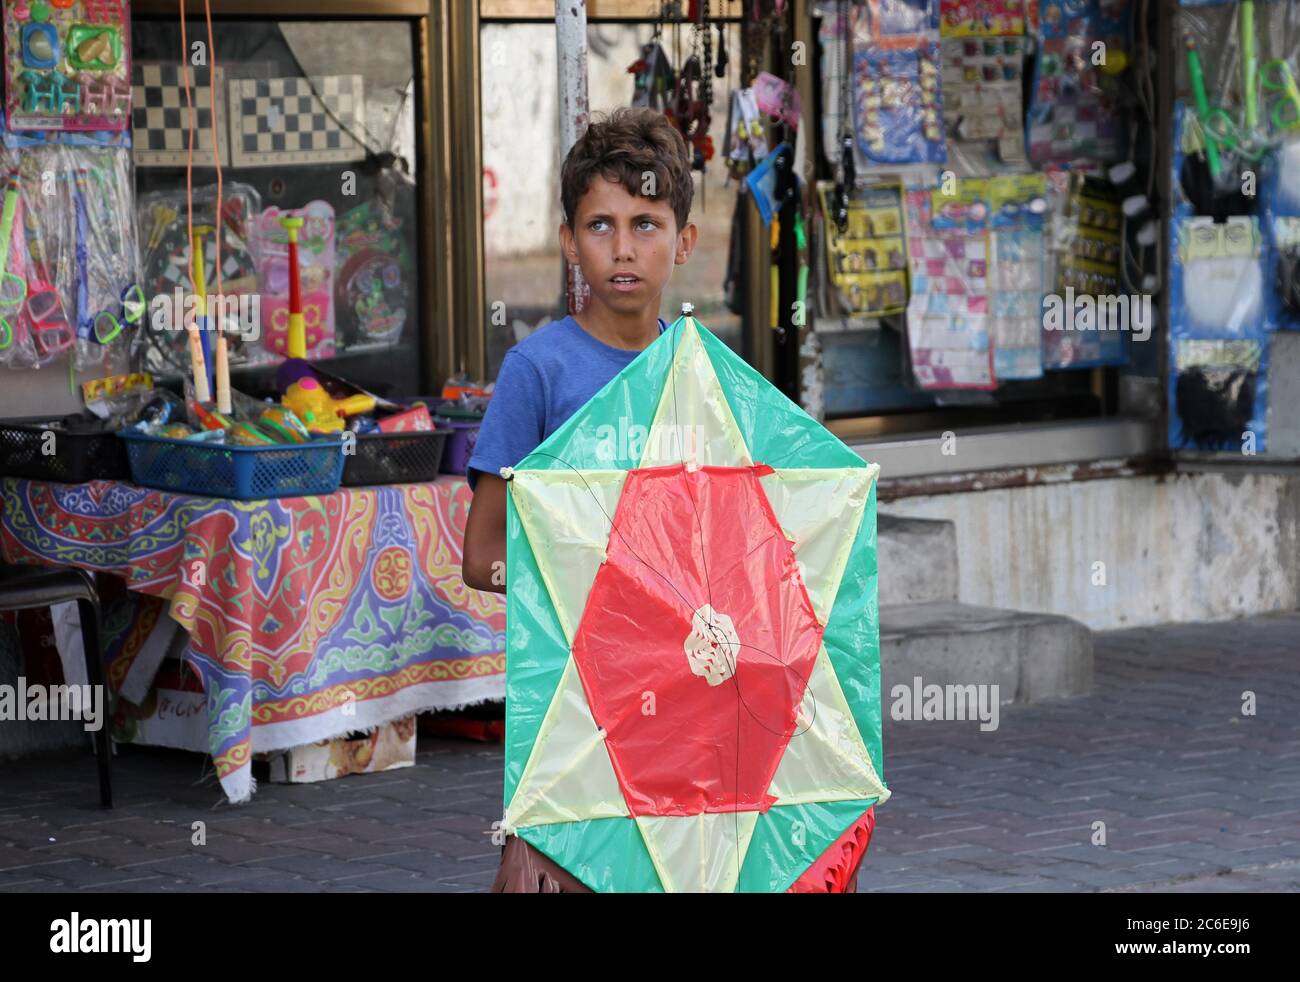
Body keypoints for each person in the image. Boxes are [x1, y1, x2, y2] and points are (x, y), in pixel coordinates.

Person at [461, 108, 698, 890]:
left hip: (681, 688)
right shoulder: (537, 372)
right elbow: (481, 556)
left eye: (647, 224)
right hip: (572, 694)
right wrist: (588, 590)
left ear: (684, 241)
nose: (623, 248)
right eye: (600, 225)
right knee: (561, 871)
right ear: (569, 240)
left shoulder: (698, 377)